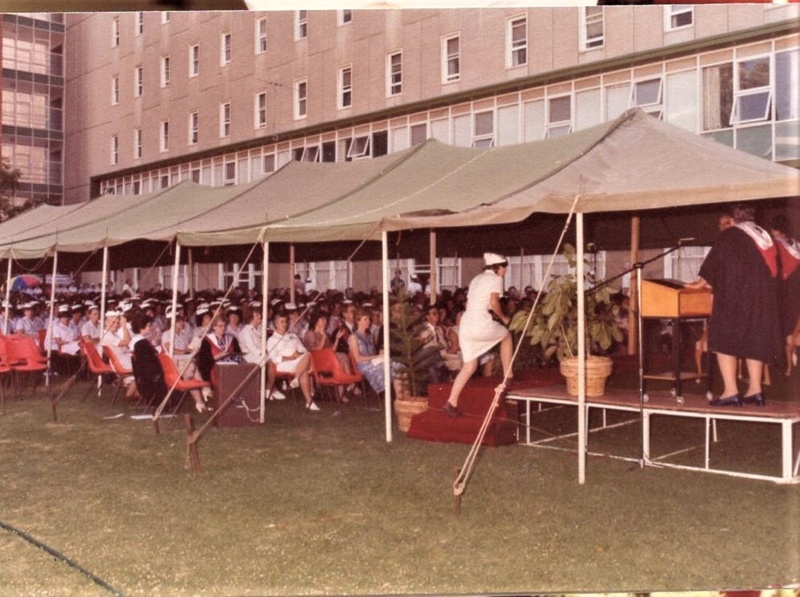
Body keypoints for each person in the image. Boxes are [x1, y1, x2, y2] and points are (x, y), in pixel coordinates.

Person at [685, 204, 782, 407]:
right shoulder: (764, 236)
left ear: (733, 218)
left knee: (722, 337)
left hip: (736, 297)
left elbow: (715, 263)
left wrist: (700, 283)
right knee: (754, 339)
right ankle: (755, 389)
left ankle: (730, 391)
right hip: (762, 298)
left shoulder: (731, 235)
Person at [443, 253, 514, 418]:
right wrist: (503, 318)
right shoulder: (496, 280)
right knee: (507, 336)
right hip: (480, 322)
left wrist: (492, 314)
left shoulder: (477, 278)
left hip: (466, 324)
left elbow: (471, 303)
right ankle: (508, 376)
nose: (505, 271)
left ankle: (451, 402)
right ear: (497, 267)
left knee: (470, 365)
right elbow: (494, 302)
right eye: (504, 267)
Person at [266, 312, 319, 411]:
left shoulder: (293, 336)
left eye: (286, 321)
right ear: (276, 324)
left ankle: (309, 401)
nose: (285, 324)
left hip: (298, 362)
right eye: (282, 322)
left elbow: (303, 349)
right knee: (307, 358)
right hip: (283, 364)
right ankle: (297, 380)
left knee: (305, 364)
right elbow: (274, 358)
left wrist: (298, 354)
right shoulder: (272, 340)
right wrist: (291, 357)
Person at [770, 215, 800, 376]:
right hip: (791, 290)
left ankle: (783, 359)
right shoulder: (795, 245)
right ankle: (787, 356)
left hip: (788, 290)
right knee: (789, 325)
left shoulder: (780, 246)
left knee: (785, 325)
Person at [129, 313, 169, 409]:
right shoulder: (141, 343)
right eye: (148, 325)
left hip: (143, 378)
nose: (151, 328)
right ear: (141, 327)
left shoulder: (136, 341)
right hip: (151, 380)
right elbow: (150, 362)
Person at [348, 307, 386, 395]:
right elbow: (358, 359)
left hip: (374, 361)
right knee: (387, 367)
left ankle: (401, 397)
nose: (368, 321)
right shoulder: (354, 337)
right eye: (365, 319)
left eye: (369, 319)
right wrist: (376, 357)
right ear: (358, 321)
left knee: (397, 366)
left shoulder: (369, 336)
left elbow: (373, 352)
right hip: (363, 365)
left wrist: (380, 353)